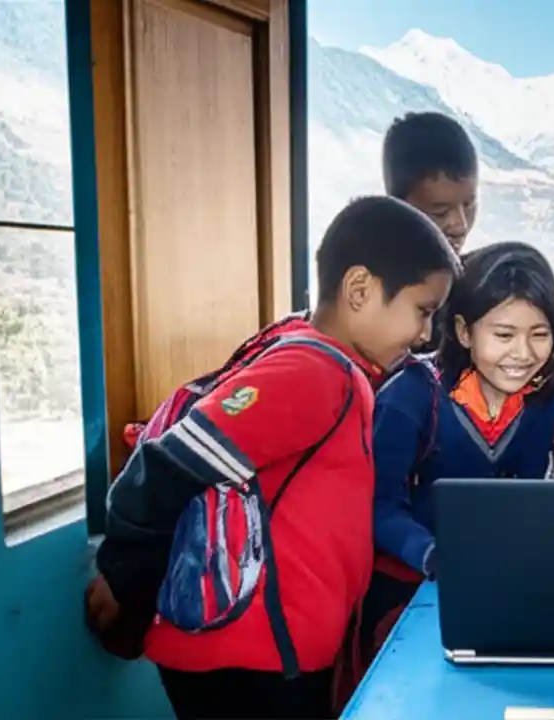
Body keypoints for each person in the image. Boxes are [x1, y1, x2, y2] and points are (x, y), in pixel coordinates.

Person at [86, 196, 459, 719]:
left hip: (277, 657)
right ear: (360, 290)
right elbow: (165, 467)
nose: (424, 334)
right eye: (423, 311)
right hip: (246, 665)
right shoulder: (312, 373)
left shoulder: (339, 368)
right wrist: (127, 587)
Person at [356, 243, 554, 674]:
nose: (523, 353)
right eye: (504, 335)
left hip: (501, 588)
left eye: (540, 334)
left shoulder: (546, 400)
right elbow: (378, 506)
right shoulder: (411, 395)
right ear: (464, 331)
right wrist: (435, 555)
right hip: (410, 589)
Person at [383, 111, 480, 354]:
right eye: (440, 212)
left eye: (469, 204)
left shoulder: (474, 283)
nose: (460, 225)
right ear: (398, 207)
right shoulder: (379, 296)